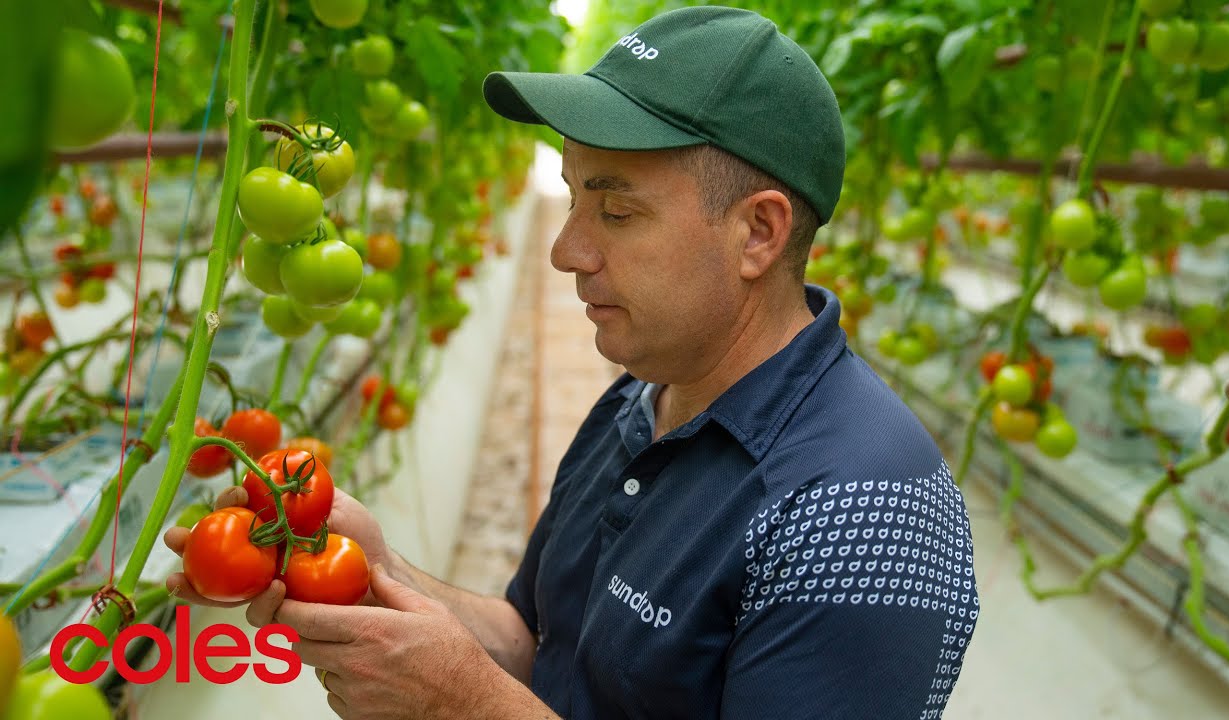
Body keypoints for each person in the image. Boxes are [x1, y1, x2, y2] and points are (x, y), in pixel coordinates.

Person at [165, 6, 979, 719]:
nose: (564, 250)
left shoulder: (866, 517)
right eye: (572, 196)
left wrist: (462, 706)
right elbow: (544, 645)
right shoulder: (640, 402)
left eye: (617, 210)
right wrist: (382, 569)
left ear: (758, 234)